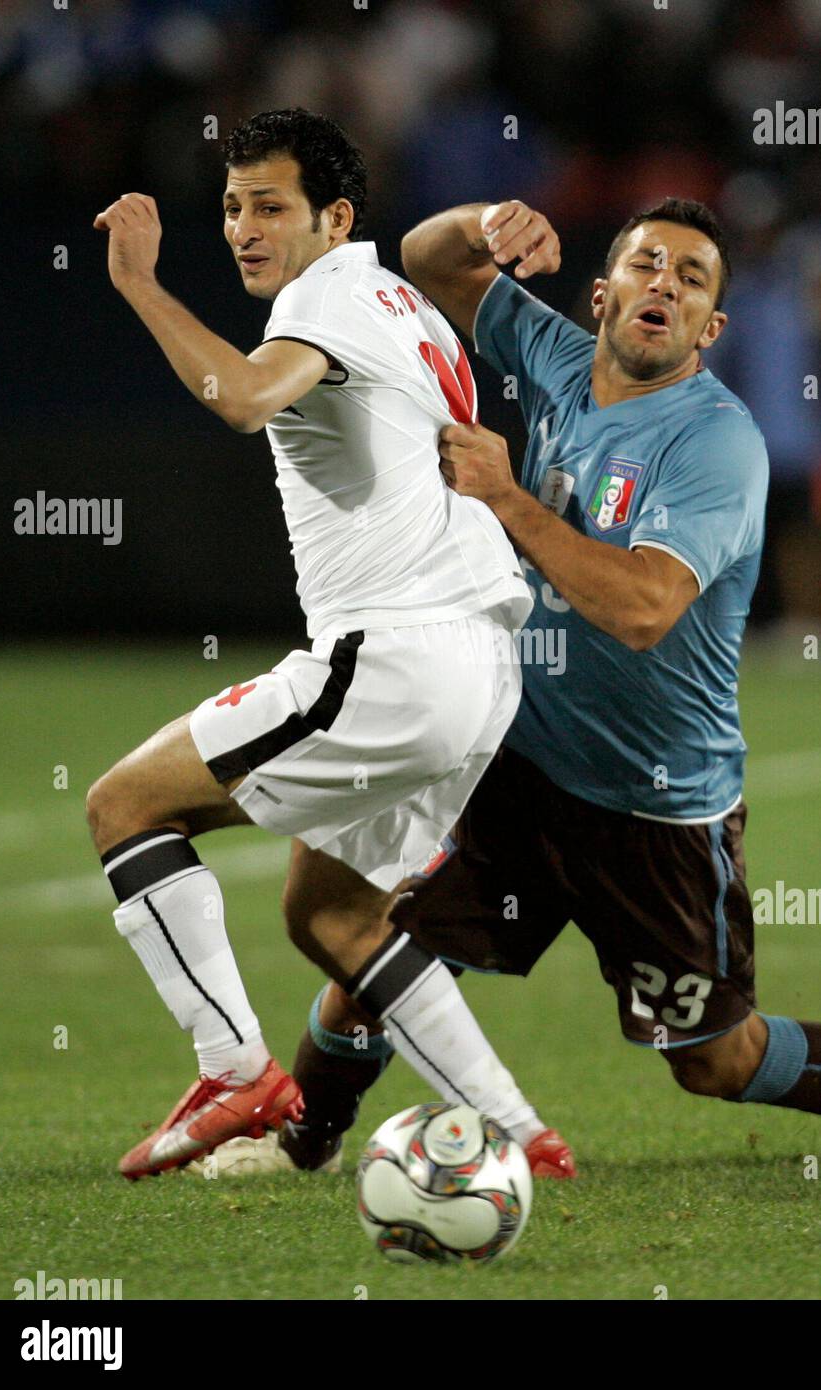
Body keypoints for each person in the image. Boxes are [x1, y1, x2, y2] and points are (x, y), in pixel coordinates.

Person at [212, 194, 821, 1177]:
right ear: (602, 291)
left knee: (714, 1059)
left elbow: (644, 608)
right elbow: (423, 255)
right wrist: (491, 220)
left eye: (690, 276)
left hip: (654, 808)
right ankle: (303, 1142)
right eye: (646, 263)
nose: (663, 282)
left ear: (711, 327)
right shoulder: (559, 360)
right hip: (519, 767)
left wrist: (505, 497)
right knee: (374, 956)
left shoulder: (716, 443)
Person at [86, 109, 573, 1180]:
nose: (243, 228)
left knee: (123, 805)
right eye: (230, 207)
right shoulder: (404, 302)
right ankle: (524, 1138)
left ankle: (235, 1071)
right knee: (334, 913)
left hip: (395, 657)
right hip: (480, 666)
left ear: (333, 217)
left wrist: (136, 282)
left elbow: (246, 398)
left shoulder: (331, 293)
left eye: (269, 205)